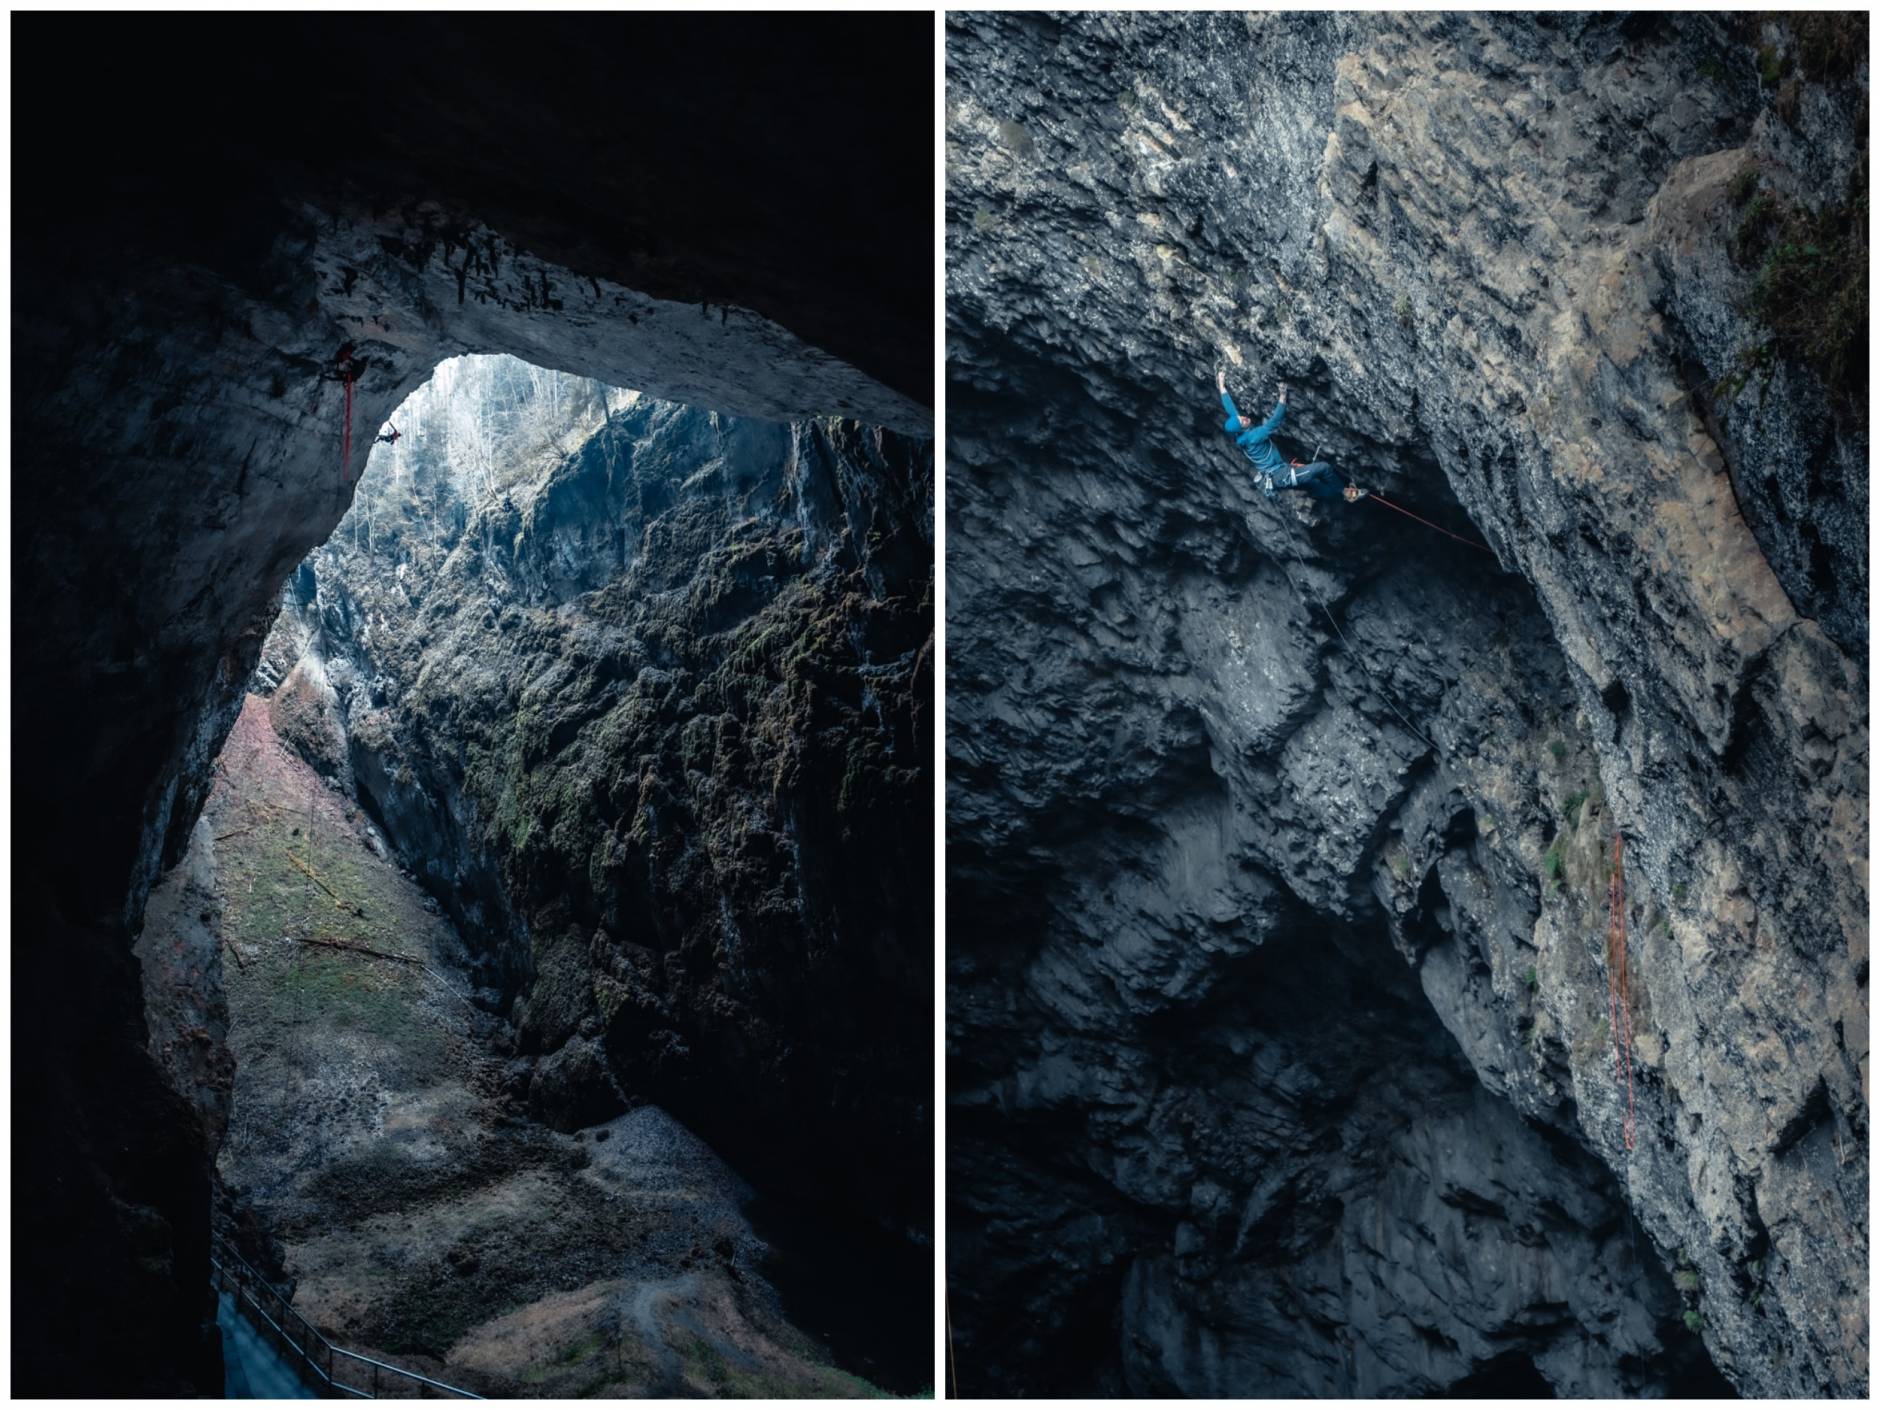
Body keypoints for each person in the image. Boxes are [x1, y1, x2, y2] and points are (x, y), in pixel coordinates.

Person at [1217, 370, 1365, 503]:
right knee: (1324, 468)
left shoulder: (1239, 433)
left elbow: (1231, 410)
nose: (1244, 418)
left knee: (1314, 484)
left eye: (1242, 417)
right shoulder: (1253, 437)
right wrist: (1282, 396)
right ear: (1241, 427)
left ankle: (1334, 496)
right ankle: (1345, 493)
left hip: (1278, 475)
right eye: (1242, 421)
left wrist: (1222, 385)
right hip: (1283, 475)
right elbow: (1274, 422)